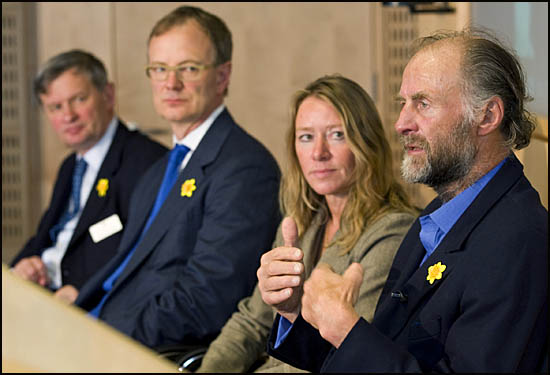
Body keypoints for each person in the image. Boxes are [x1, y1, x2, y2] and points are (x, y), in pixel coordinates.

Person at [263, 28, 549, 373]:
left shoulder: (520, 238)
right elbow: (381, 355)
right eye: (404, 103)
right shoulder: (437, 214)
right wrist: (296, 312)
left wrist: (346, 328)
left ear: (487, 116)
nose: (401, 123)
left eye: (423, 104)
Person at [55, 5, 281, 350]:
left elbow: (205, 300)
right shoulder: (159, 170)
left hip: (140, 348)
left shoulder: (245, 169)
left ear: (222, 76)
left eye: (188, 68)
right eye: (159, 69)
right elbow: (127, 269)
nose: (170, 83)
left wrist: (100, 336)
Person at [197, 74, 418, 373]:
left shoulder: (393, 230)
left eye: (337, 135)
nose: (318, 153)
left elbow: (344, 356)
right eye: (306, 137)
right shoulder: (301, 223)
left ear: (366, 143)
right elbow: (252, 322)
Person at [10, 49, 167, 292]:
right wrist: (23, 266)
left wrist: (83, 294)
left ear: (108, 95)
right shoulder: (71, 166)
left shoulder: (147, 162)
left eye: (79, 100)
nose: (68, 116)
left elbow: (141, 259)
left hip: (88, 307)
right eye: (55, 107)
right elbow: (45, 237)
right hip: (43, 292)